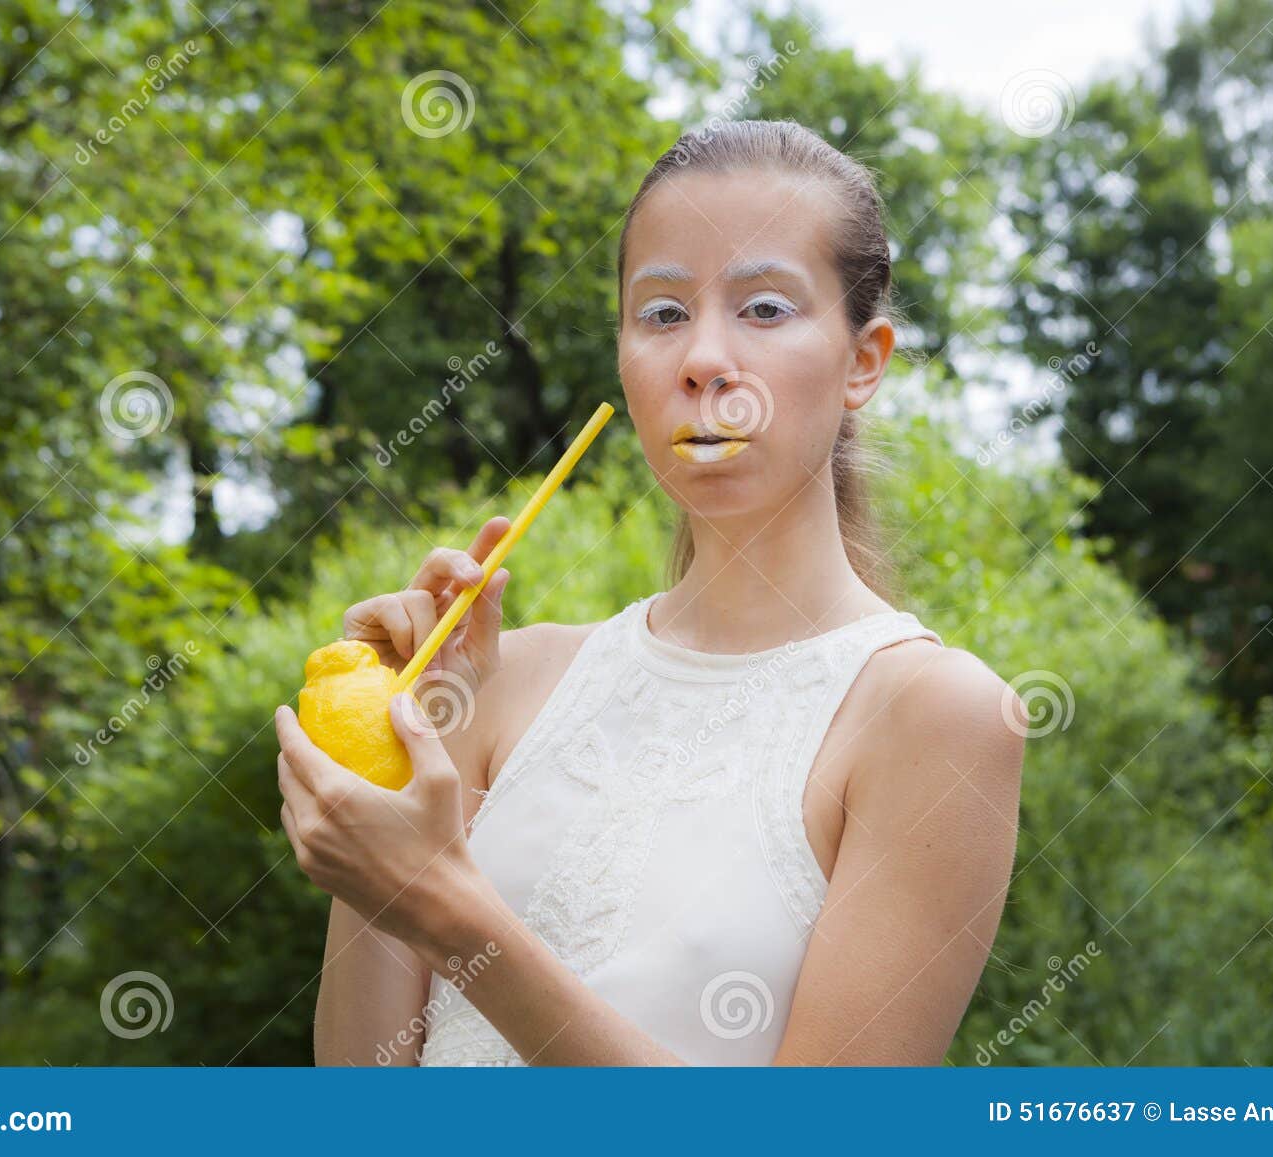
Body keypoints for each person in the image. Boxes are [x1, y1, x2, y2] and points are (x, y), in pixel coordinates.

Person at [274, 119, 1026, 1066]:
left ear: (863, 360)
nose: (702, 359)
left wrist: (454, 914)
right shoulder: (499, 675)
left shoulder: (934, 714)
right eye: (663, 314)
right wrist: (384, 765)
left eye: (764, 309)